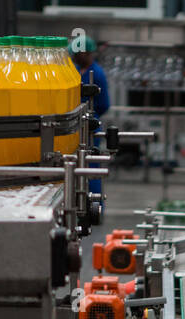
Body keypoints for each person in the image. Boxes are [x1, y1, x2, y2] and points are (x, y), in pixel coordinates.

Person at [72, 34, 109, 214]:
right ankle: (76, 204)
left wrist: (88, 118)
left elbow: (104, 104)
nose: (74, 57)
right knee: (74, 165)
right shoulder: (75, 70)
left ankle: (95, 206)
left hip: (90, 128)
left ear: (86, 53)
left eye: (78, 53)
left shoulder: (97, 74)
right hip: (74, 128)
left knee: (91, 165)